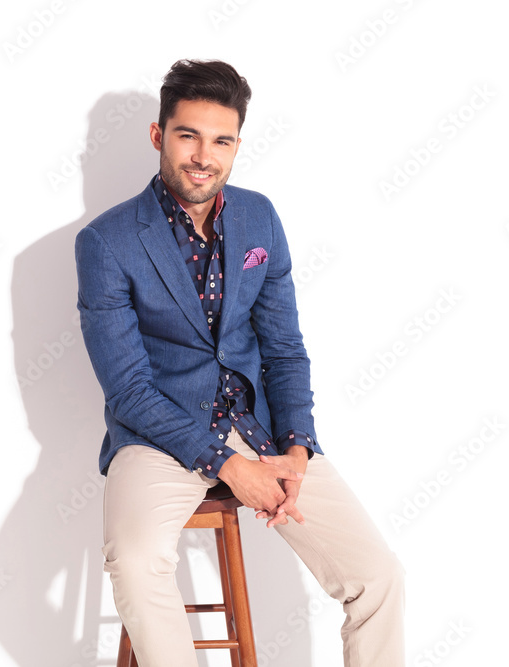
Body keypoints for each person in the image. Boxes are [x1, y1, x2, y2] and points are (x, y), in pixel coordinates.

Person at [74, 58, 405, 667]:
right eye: (188, 136)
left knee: (379, 577)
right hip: (158, 437)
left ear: (237, 145)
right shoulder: (107, 242)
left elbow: (284, 349)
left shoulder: (259, 218)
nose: (204, 155)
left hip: (260, 429)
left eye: (220, 140)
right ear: (158, 136)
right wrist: (229, 466)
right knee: (138, 559)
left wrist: (298, 448)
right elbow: (129, 392)